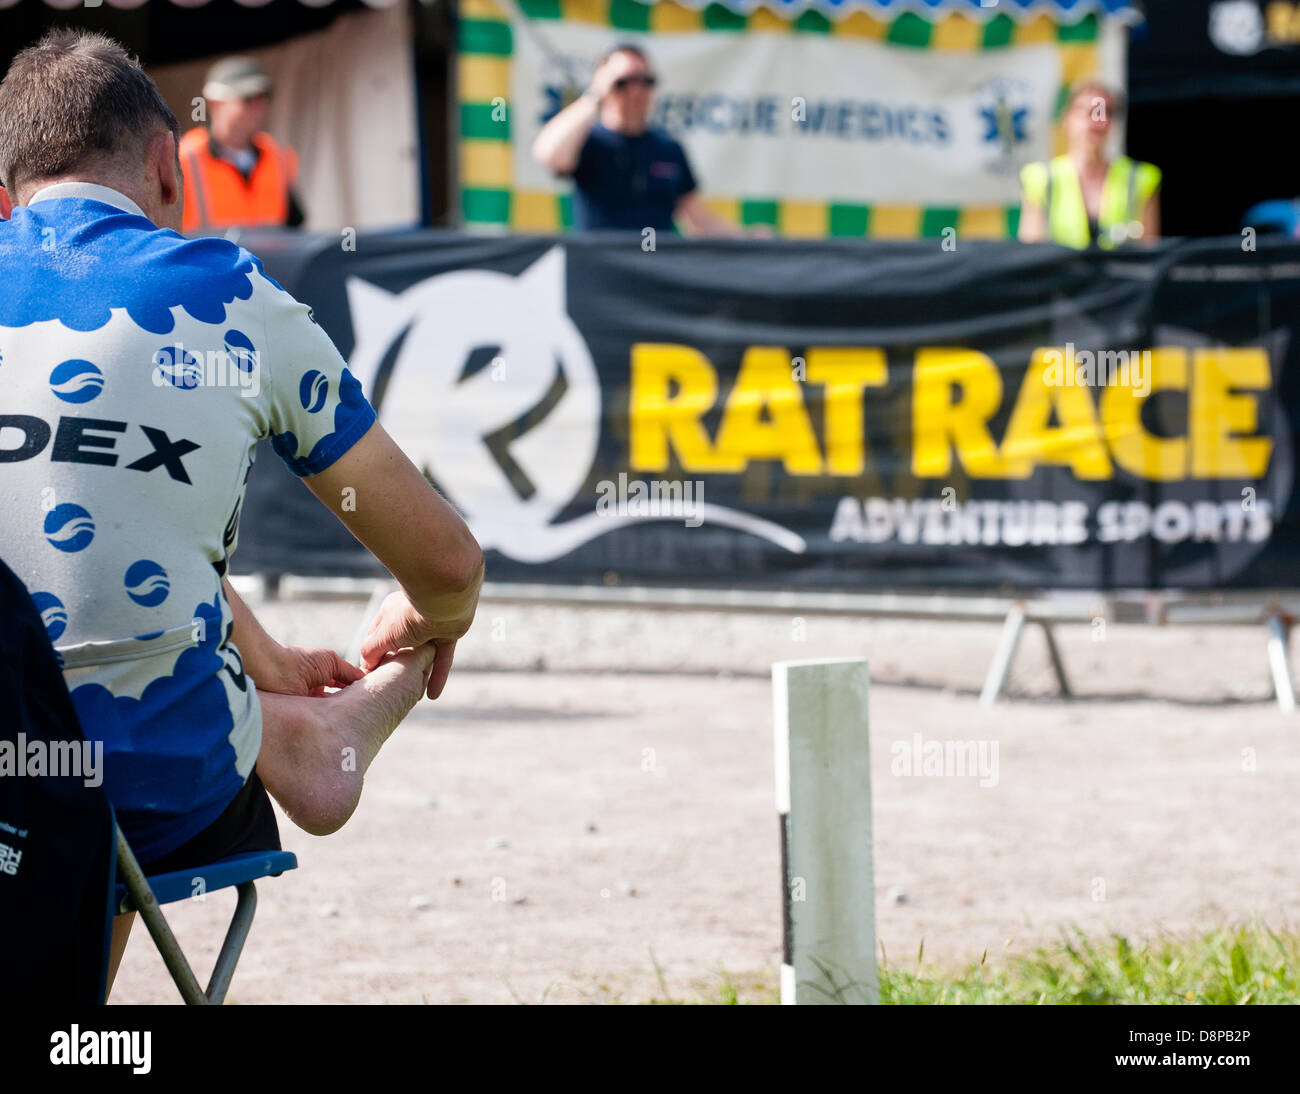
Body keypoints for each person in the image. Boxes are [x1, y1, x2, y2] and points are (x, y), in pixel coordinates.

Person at [0, 30, 483, 993]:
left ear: (7, 195)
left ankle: (275, 717)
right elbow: (450, 563)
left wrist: (265, 654)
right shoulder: (228, 296)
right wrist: (433, 617)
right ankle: (292, 736)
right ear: (166, 169)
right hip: (142, 778)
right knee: (101, 766)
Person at [531, 43, 749, 237]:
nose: (636, 91)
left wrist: (747, 240)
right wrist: (594, 96)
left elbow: (698, 219)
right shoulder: (588, 141)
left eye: (645, 81)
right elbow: (548, 154)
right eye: (623, 82)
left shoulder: (668, 148)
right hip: (600, 271)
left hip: (654, 270)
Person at [1018, 80, 1161, 249]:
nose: (1095, 121)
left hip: (1120, 274)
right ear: (1066, 118)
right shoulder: (1039, 178)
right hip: (1063, 274)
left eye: (1104, 112)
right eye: (1086, 111)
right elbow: (1029, 250)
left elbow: (1150, 252)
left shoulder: (1142, 177)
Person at [179, 55, 305, 233]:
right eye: (247, 99)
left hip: (269, 262)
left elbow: (295, 228)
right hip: (207, 262)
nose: (258, 108)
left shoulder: (277, 157)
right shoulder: (184, 160)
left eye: (263, 98)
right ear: (215, 103)